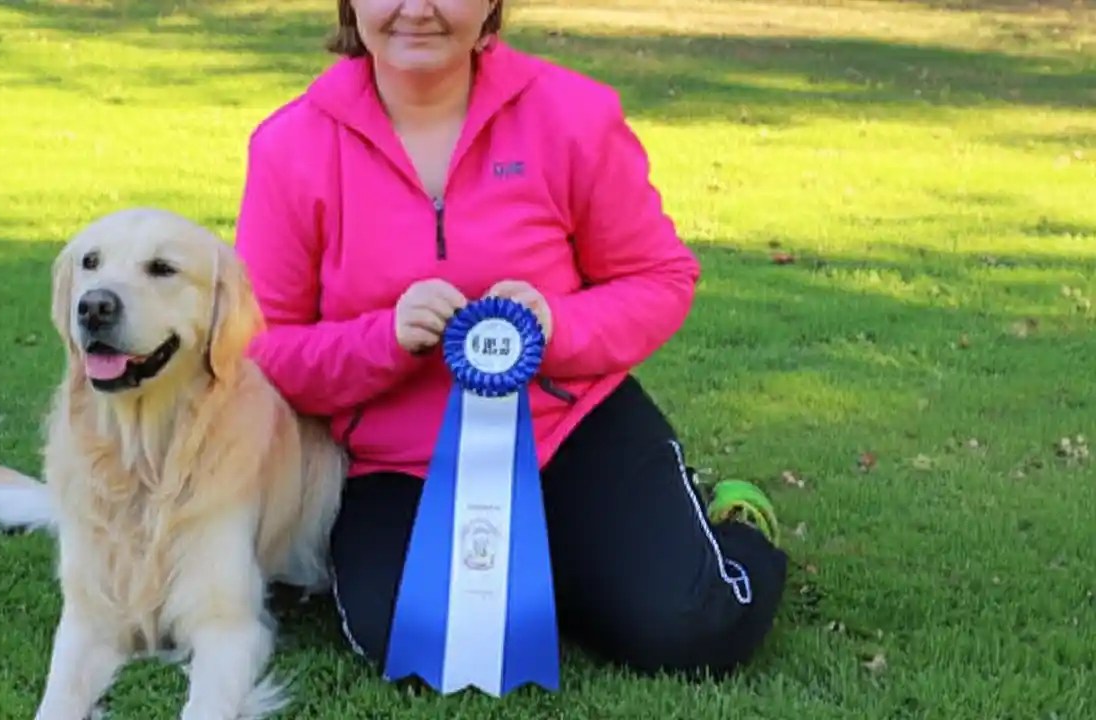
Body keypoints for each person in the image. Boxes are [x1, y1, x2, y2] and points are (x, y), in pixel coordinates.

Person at [233, 0, 789, 681]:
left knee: (687, 630)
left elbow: (660, 277)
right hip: (399, 465)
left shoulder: (572, 114)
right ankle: (579, 568)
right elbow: (263, 350)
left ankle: (730, 526)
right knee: (419, 649)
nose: (418, 9)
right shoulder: (291, 145)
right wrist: (382, 340)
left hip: (571, 429)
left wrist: (558, 324)